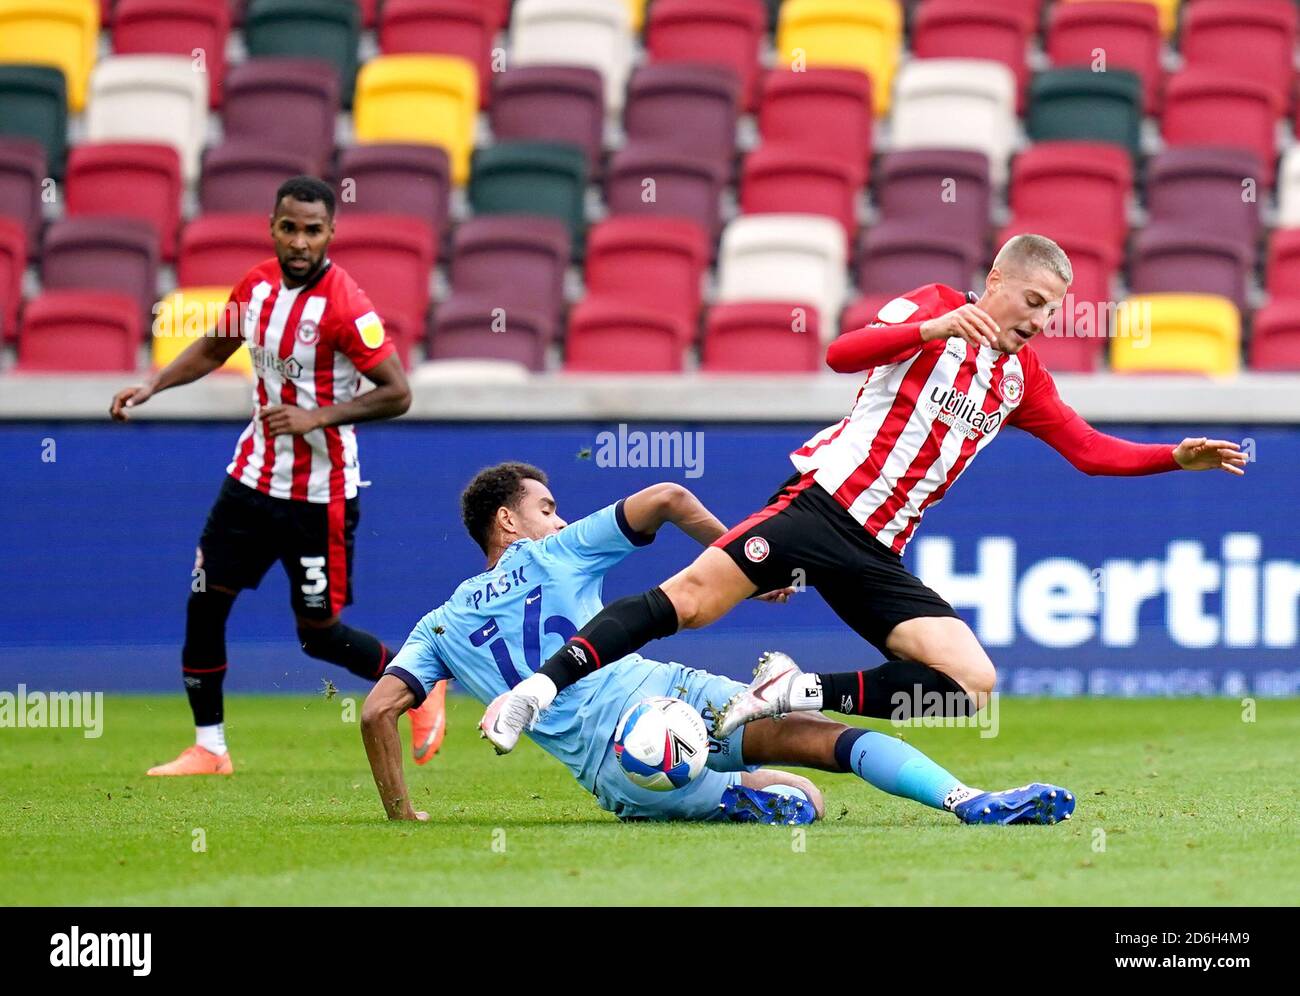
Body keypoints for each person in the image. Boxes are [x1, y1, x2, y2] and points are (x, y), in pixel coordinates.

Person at [480, 234, 1249, 751]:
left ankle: (792, 687)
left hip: (878, 550)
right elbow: (842, 352)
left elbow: (1088, 451)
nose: (1043, 321)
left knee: (970, 685)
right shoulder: (931, 309)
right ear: (996, 285)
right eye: (1034, 302)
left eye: (1054, 310)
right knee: (687, 602)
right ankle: (539, 689)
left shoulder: (1020, 378)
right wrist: (933, 331)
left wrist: (1171, 458)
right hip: (818, 510)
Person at [361, 463, 1075, 826]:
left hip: (619, 763)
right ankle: (965, 798)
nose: (562, 517)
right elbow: (668, 496)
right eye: (546, 508)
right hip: (666, 694)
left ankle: (750, 800)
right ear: (507, 524)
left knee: (804, 800)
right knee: (823, 743)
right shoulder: (553, 554)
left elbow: (374, 714)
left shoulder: (439, 626)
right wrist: (742, 562)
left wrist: (402, 811)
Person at [110, 176, 445, 775]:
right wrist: (152, 383)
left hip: (319, 494)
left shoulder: (347, 305)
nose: (299, 241)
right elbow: (214, 348)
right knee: (204, 602)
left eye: (312, 230)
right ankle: (210, 748)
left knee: (317, 634)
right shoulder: (257, 285)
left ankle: (420, 681)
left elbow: (398, 394)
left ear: (330, 234)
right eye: (289, 227)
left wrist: (317, 415)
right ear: (272, 226)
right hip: (250, 480)